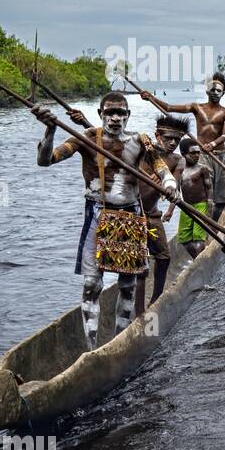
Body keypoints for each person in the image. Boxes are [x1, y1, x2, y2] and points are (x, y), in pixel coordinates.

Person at [32, 92, 178, 351]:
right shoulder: (86, 138)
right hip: (97, 213)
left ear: (128, 116)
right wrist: (50, 129)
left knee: (128, 284)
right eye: (109, 113)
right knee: (92, 284)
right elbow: (45, 160)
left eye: (120, 113)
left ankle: (120, 342)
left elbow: (161, 168)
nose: (115, 118)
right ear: (100, 115)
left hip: (130, 215)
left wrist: (170, 184)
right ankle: (92, 349)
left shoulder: (139, 140)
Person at [140, 72, 225, 220]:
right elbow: (169, 107)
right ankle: (204, 222)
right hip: (201, 155)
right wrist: (151, 98)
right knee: (202, 191)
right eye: (213, 89)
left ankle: (216, 222)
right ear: (206, 90)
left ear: (223, 93)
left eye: (219, 90)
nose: (215, 93)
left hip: (220, 156)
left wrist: (212, 144)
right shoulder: (196, 107)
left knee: (222, 195)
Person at [140, 114, 190, 305]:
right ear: (157, 135)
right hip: (130, 214)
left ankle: (156, 300)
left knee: (164, 257)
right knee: (136, 266)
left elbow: (174, 186)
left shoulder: (178, 160)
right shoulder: (141, 150)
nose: (172, 143)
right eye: (168, 138)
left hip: (152, 215)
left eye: (177, 140)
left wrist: (165, 182)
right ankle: (135, 309)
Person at [177, 139, 214, 259]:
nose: (197, 155)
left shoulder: (202, 169)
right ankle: (197, 258)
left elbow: (209, 188)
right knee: (183, 239)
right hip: (186, 207)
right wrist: (170, 211)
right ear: (183, 154)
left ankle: (199, 262)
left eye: (198, 152)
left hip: (201, 206)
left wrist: (210, 206)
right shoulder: (180, 171)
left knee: (198, 238)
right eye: (193, 153)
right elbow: (175, 191)